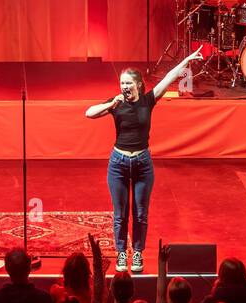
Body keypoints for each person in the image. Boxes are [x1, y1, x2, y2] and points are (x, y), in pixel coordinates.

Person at [85, 49, 203, 274]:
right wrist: (111, 104)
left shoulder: (148, 100)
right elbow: (89, 113)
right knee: (120, 214)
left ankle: (137, 252)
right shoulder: (116, 103)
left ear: (138, 85)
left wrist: (186, 61)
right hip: (118, 163)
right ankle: (122, 252)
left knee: (140, 212)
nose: (124, 87)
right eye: (122, 83)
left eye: (128, 83)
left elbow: (169, 77)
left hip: (142, 163)